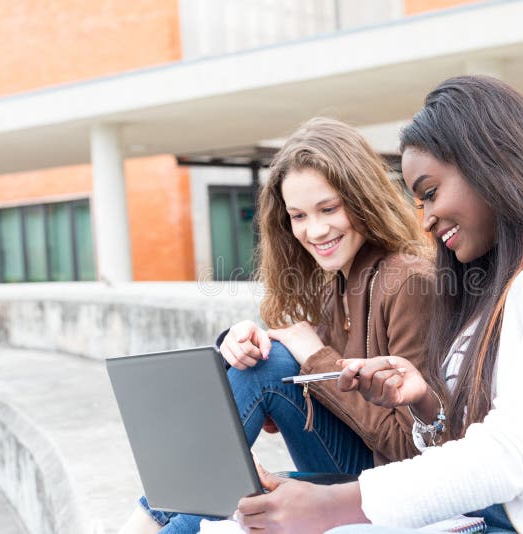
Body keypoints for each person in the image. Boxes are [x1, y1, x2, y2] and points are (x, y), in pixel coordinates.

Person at [232, 76, 523, 534]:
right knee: (245, 518)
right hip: (487, 514)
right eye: (420, 201)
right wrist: (424, 404)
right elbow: (458, 447)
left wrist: (334, 506)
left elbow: (514, 454)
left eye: (431, 193)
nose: (428, 219)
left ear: (491, 166)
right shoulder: (488, 290)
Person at [119, 117, 435, 534]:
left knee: (265, 383)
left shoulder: (407, 282)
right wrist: (240, 345)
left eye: (329, 208)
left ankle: (144, 521)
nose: (315, 230)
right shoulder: (337, 283)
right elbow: (307, 397)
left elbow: (414, 446)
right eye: (298, 215)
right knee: (235, 483)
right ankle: (154, 516)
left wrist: (311, 357)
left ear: (362, 199)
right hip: (351, 465)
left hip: (393, 484)